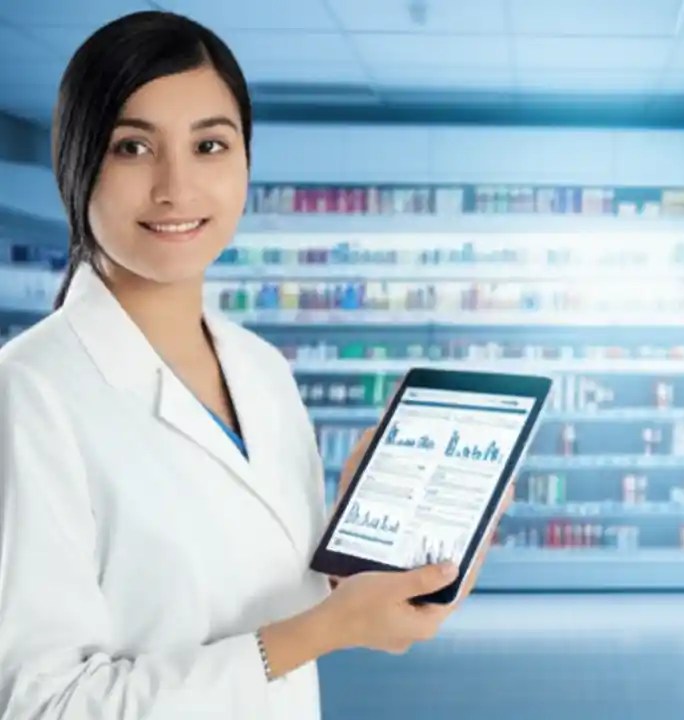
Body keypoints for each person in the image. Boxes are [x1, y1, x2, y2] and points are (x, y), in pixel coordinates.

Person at [0, 11, 507, 719]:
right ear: (76, 163)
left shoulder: (262, 369)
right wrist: (324, 629)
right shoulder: (27, 394)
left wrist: (354, 578)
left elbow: (267, 605)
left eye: (209, 144)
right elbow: (42, 705)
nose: (176, 186)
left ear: (245, 161)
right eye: (132, 148)